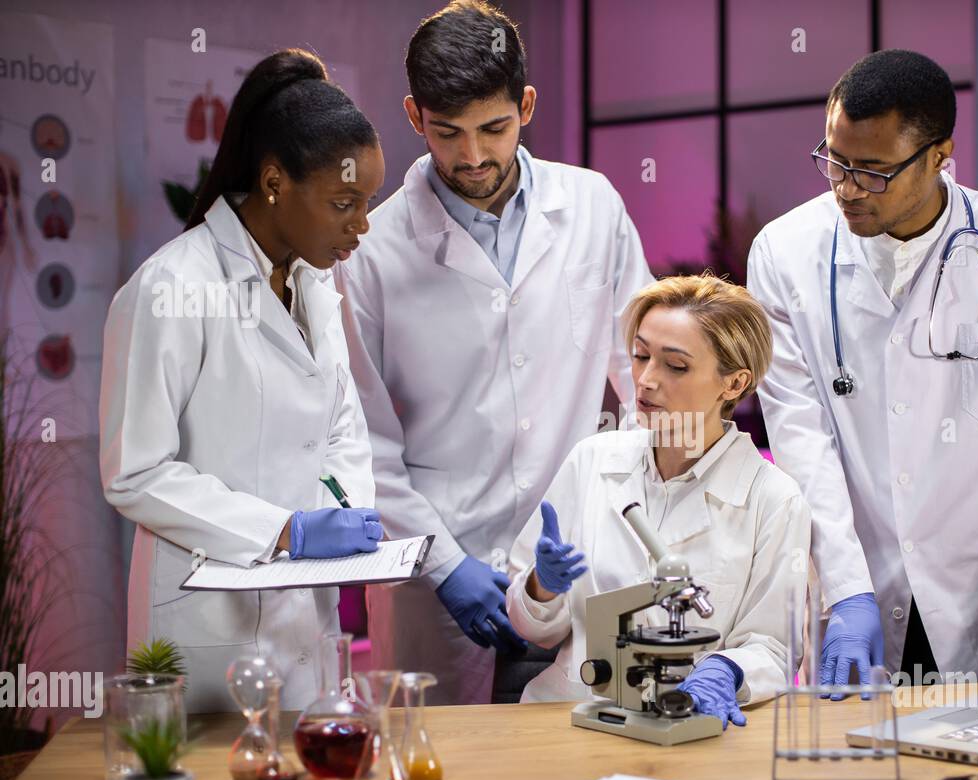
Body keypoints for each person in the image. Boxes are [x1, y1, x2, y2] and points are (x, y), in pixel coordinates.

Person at [748, 50, 978, 696]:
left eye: (873, 171)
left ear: (940, 154)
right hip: (854, 580)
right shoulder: (782, 254)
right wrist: (847, 590)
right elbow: (801, 439)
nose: (845, 188)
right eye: (835, 160)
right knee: (858, 779)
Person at [339, 0, 653, 704]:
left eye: (494, 128)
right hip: (437, 570)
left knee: (574, 764)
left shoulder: (593, 207)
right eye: (448, 133)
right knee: (440, 778)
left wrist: (612, 506)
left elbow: (646, 373)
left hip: (574, 552)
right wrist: (445, 565)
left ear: (528, 106)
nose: (474, 156)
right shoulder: (370, 253)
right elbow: (362, 439)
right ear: (415, 116)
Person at [99, 49, 386, 711]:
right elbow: (134, 472)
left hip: (303, 616)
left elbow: (340, 420)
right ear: (275, 180)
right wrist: (287, 530)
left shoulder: (315, 280)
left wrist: (344, 510)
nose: (362, 225)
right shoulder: (172, 287)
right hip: (207, 624)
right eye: (344, 202)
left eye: (367, 202)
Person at [504, 275, 810, 725]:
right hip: (568, 711)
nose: (646, 381)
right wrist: (542, 586)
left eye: (676, 366)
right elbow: (532, 628)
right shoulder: (593, 460)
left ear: (734, 382)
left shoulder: (774, 499)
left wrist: (726, 669)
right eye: (641, 356)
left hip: (691, 723)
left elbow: (773, 648)